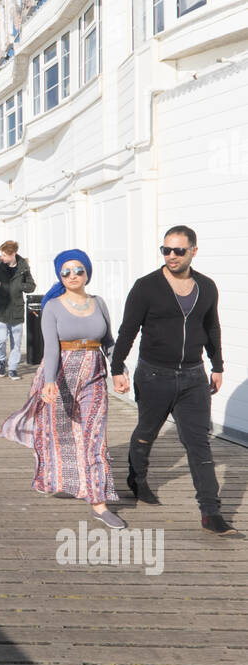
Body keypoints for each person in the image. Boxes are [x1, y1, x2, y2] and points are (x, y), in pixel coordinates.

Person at [110, 226, 234, 535]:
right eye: (166, 250)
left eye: (178, 250)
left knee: (198, 444)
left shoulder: (206, 287)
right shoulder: (146, 287)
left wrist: (216, 364)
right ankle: (137, 479)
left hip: (194, 376)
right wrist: (117, 367)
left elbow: (212, 327)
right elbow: (128, 329)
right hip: (154, 375)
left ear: (193, 250)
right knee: (146, 433)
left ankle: (210, 512)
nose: (171, 256)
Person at [0, 249, 124, 527]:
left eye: (78, 270)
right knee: (61, 434)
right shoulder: (53, 306)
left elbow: (109, 342)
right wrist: (50, 381)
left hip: (94, 373)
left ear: (87, 272)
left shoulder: (99, 302)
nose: (72, 276)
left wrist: (119, 370)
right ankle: (58, 479)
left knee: (95, 435)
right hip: (62, 374)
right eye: (65, 271)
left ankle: (98, 501)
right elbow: (51, 348)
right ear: (59, 275)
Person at [0, 241, 35, 381]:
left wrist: (21, 286)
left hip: (16, 310)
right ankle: (1, 361)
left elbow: (32, 286)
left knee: (16, 342)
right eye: (1, 254)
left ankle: (13, 369)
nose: (2, 257)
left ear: (13, 254)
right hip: (0, 310)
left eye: (5, 255)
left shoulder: (24, 268)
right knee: (1, 339)